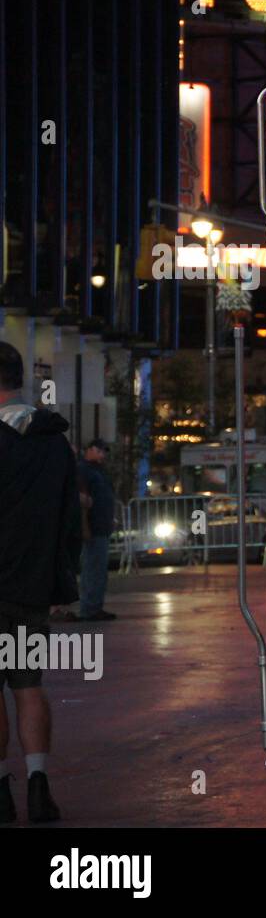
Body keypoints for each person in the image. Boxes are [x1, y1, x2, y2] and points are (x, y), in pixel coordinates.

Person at [0, 341, 77, 823]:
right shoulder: (53, 439)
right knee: (29, 686)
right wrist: (58, 582)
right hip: (31, 586)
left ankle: (1, 795)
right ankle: (38, 784)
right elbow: (69, 518)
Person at [76, 438, 116, 622]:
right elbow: (82, 499)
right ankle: (90, 608)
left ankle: (93, 606)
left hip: (99, 526)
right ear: (90, 450)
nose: (102, 454)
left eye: (104, 451)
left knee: (97, 569)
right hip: (94, 527)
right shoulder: (84, 470)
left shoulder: (95, 471)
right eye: (99, 450)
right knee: (93, 569)